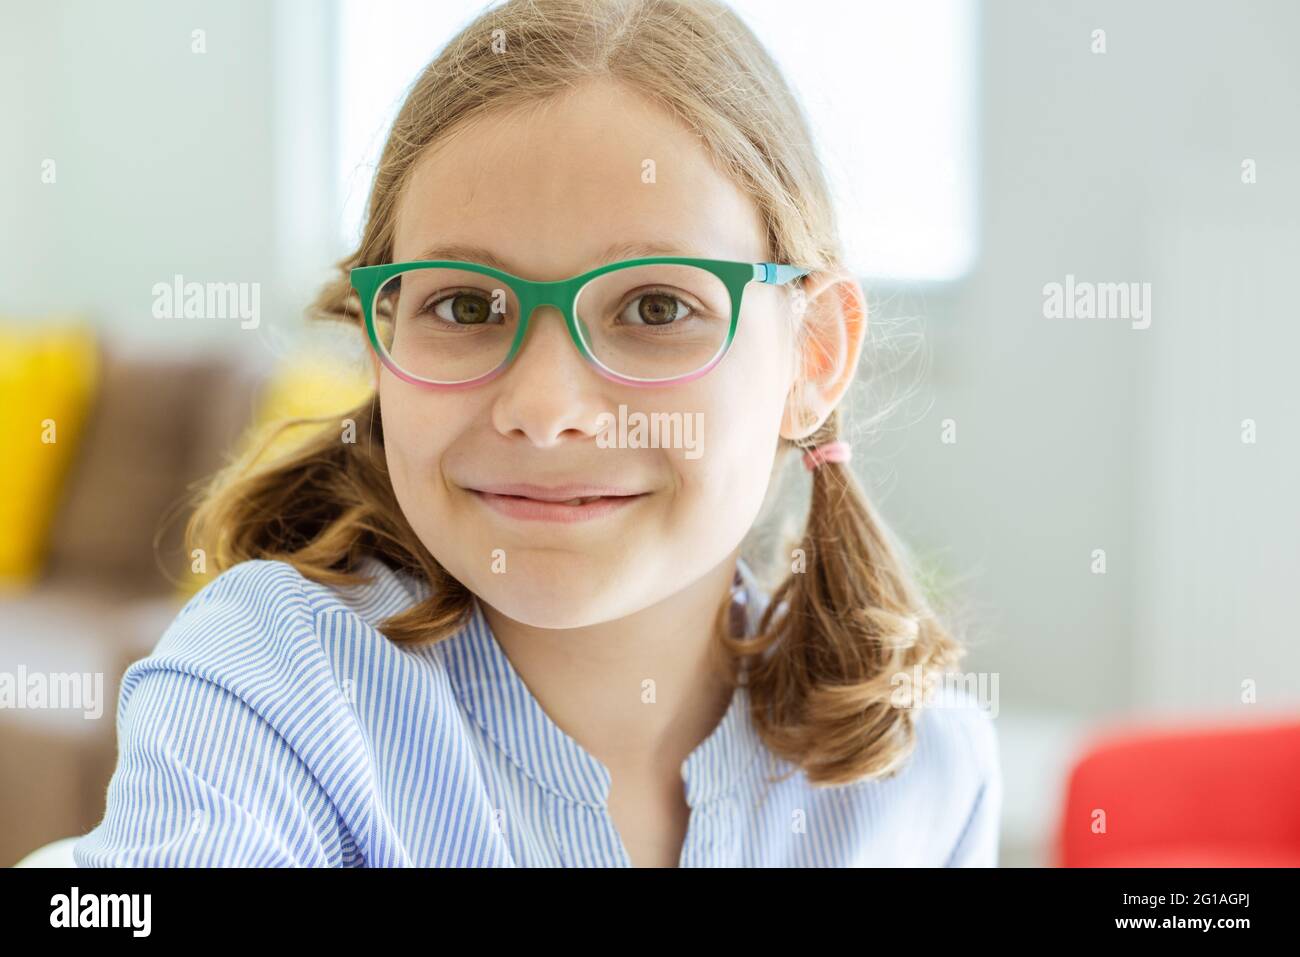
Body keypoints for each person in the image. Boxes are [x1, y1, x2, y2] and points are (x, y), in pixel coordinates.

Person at [74, 0, 999, 868]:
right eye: (467, 304)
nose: (544, 406)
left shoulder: (929, 776)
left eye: (655, 304)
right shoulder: (269, 686)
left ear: (815, 356)